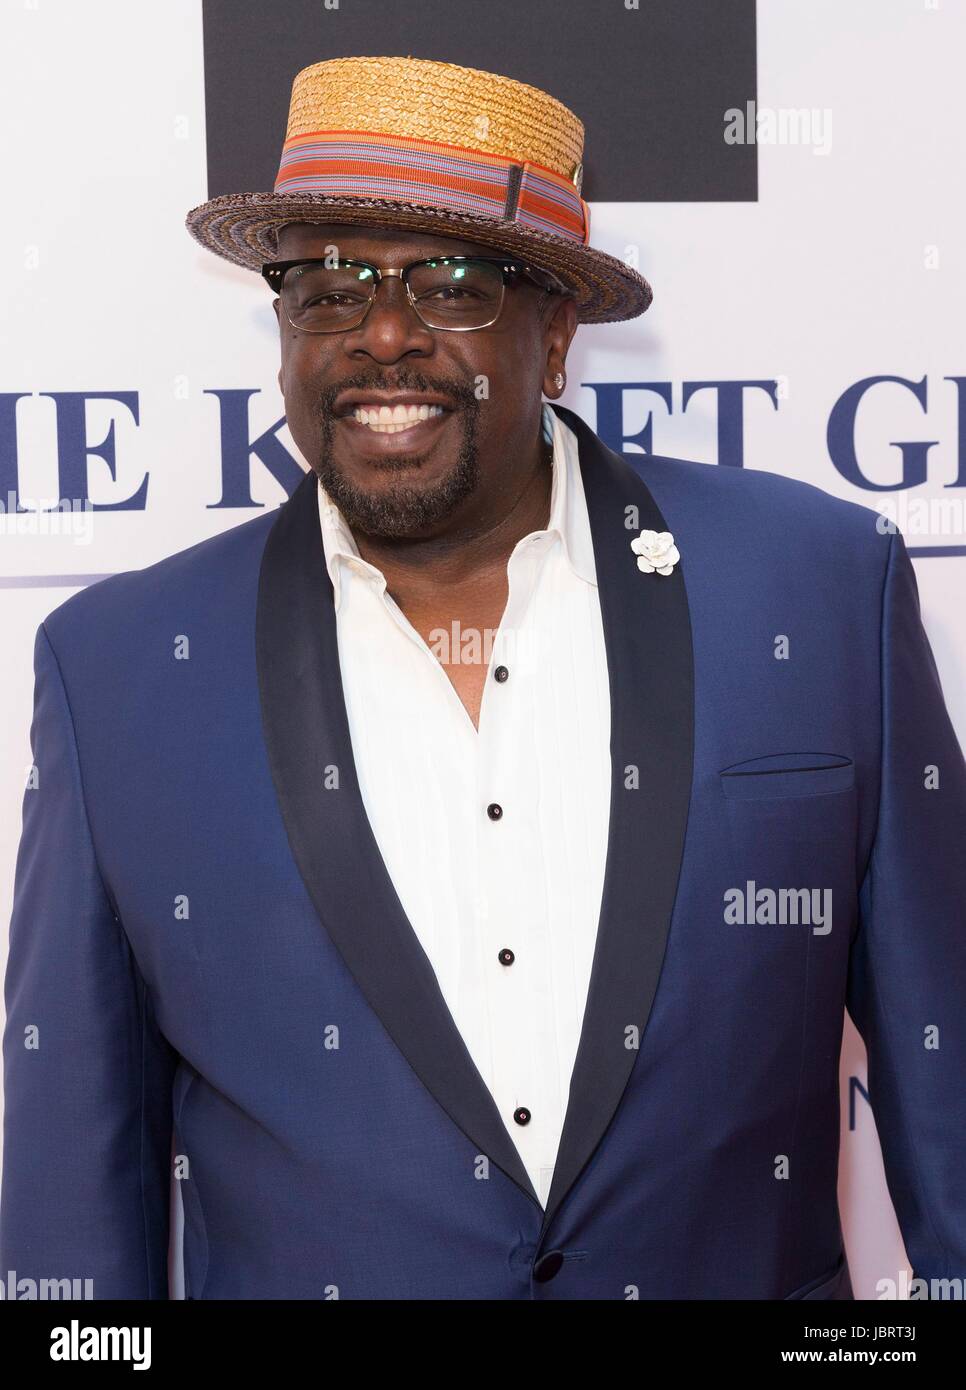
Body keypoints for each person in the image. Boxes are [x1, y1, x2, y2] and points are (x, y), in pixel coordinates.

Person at [2, 55, 964, 1301]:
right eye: (329, 283)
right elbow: (77, 1209)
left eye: (450, 283)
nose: (383, 332)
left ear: (556, 331)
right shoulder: (121, 670)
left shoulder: (820, 591)